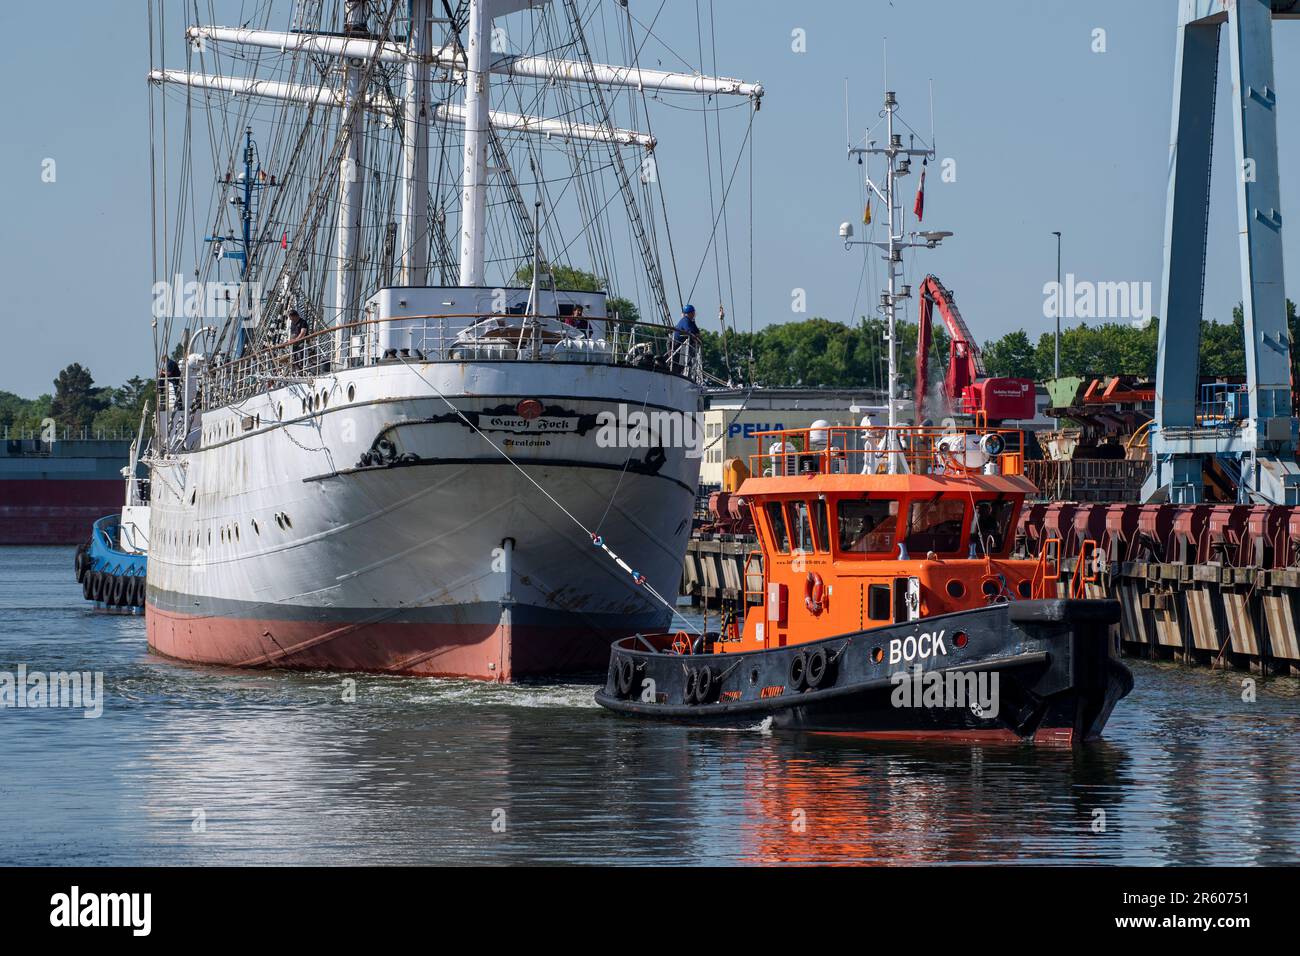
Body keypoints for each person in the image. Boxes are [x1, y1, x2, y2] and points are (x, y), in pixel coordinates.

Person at [672, 304, 700, 369]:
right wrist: (695, 337)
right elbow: (689, 331)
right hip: (679, 346)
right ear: (689, 313)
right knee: (681, 364)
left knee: (686, 361)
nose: (694, 314)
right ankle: (682, 368)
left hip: (684, 346)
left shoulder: (691, 322)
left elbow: (697, 332)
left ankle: (684, 368)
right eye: (693, 312)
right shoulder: (685, 320)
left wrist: (696, 336)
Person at [288, 308, 309, 373]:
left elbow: (303, 333)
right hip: (294, 343)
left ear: (296, 316)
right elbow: (292, 333)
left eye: (292, 319)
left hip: (302, 341)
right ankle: (295, 367)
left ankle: (302, 367)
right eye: (291, 319)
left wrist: (296, 340)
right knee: (292, 353)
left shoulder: (303, 322)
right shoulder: (292, 323)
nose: (292, 320)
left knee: (301, 348)